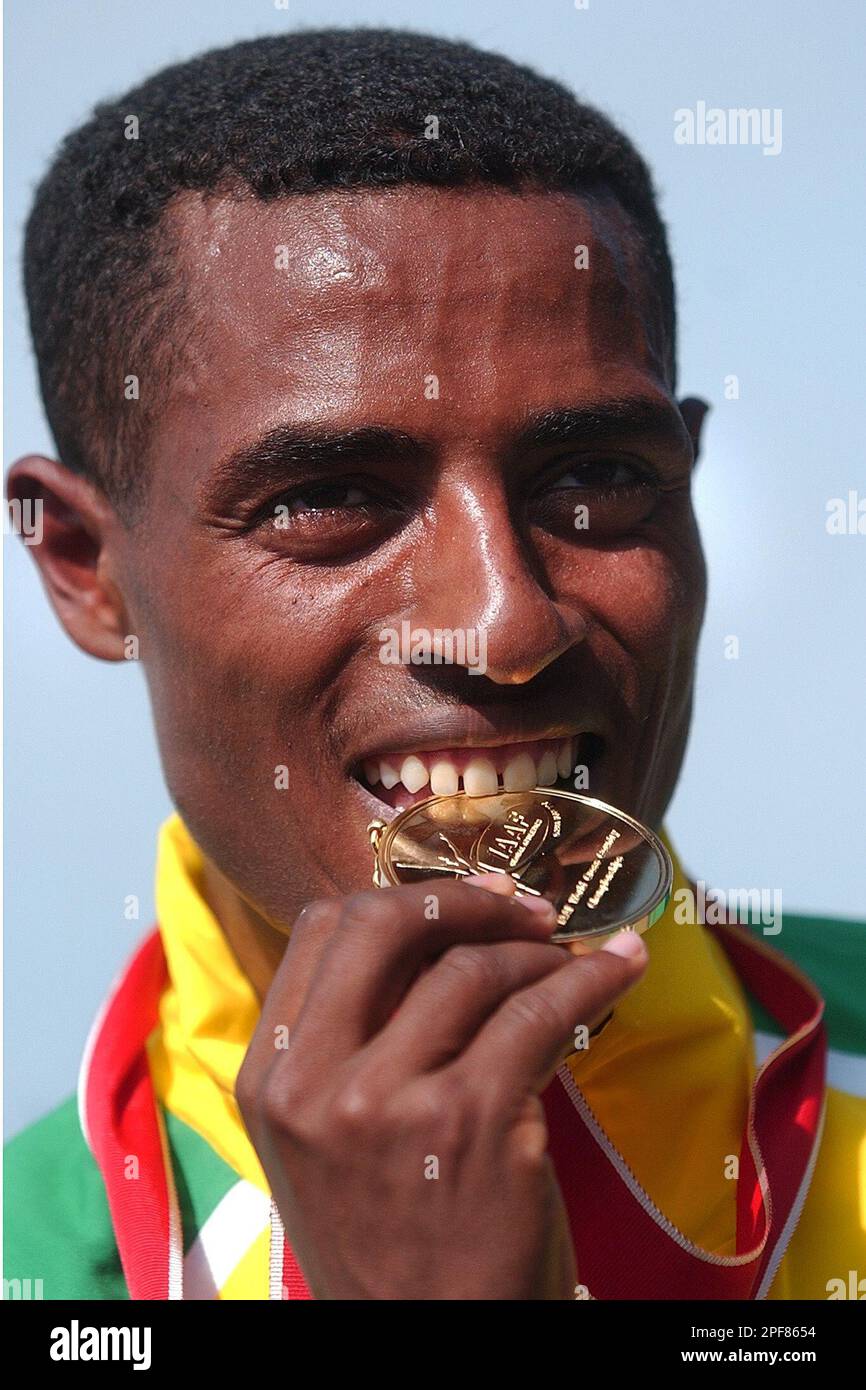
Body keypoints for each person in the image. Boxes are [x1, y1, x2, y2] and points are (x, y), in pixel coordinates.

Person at [5, 27, 864, 1301]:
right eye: (330, 496)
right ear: (84, 564)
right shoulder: (44, 1267)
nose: (507, 624)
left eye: (593, 479)